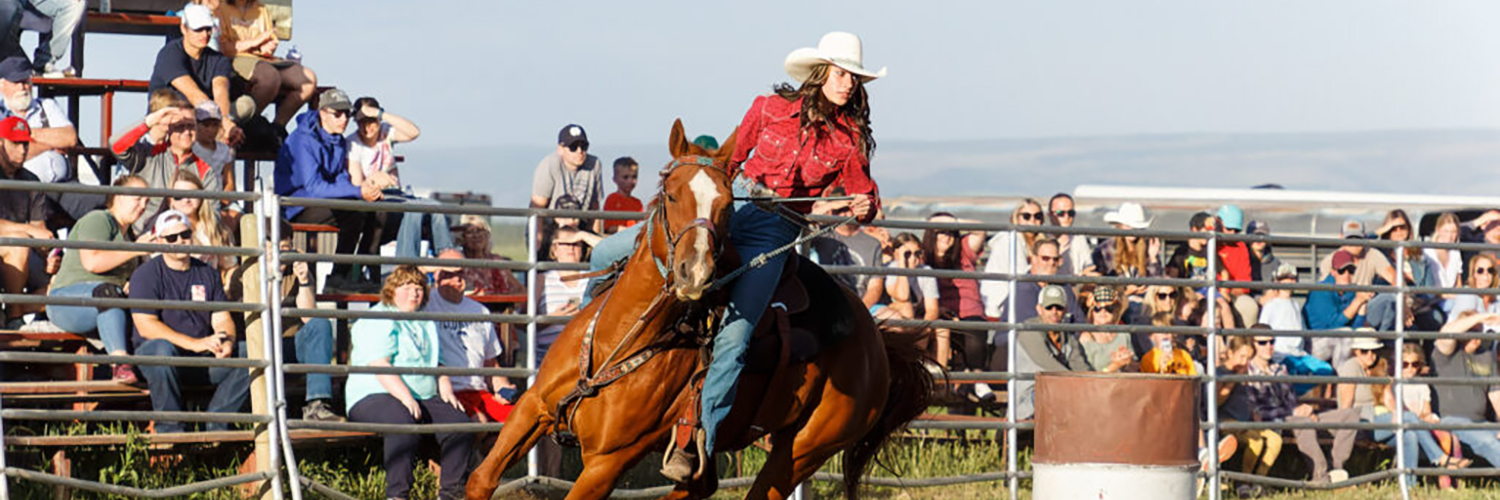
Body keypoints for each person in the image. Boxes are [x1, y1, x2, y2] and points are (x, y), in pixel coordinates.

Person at [582, 31, 885, 481]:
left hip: (778, 227)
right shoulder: (768, 108)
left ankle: (696, 440)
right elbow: (730, 162)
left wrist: (864, 204)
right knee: (606, 252)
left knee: (735, 333)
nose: (848, 84)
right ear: (821, 73)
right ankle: (585, 360)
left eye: (854, 78)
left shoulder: (848, 138)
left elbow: (866, 194)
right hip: (731, 204)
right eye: (842, 74)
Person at [345, 265, 473, 500]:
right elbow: (380, 364)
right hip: (375, 393)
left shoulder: (425, 321)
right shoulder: (379, 316)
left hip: (422, 395)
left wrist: (445, 386)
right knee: (404, 426)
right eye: (407, 287)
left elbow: (439, 362)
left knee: (460, 425)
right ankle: (397, 494)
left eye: (419, 288)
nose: (414, 292)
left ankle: (451, 494)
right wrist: (405, 398)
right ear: (392, 290)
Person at [128, 210, 249, 432]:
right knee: (160, 350)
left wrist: (226, 340)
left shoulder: (207, 273)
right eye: (172, 238)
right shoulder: (146, 274)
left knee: (251, 353)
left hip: (200, 357)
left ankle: (217, 423)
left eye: (184, 235)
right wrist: (194, 343)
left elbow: (221, 317)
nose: (180, 242)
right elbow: (145, 325)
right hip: (160, 359)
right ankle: (170, 429)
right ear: (159, 241)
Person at [273, 88, 382, 291]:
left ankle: (354, 275)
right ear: (323, 113)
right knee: (357, 211)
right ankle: (340, 276)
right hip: (294, 207)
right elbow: (314, 187)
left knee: (373, 210)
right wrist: (358, 192)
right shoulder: (302, 140)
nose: (344, 119)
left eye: (347, 114)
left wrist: (361, 191)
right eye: (337, 114)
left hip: (315, 202)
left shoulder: (337, 141)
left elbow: (339, 178)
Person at [45, 176, 149, 383]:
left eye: (147, 202)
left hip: (106, 303)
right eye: (138, 199)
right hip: (67, 300)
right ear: (119, 197)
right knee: (107, 293)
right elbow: (92, 263)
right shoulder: (99, 219)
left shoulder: (129, 235)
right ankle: (120, 363)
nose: (143, 206)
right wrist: (137, 249)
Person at [345, 97, 452, 269]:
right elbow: (358, 185)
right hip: (378, 197)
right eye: (361, 122)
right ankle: (406, 267)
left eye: (372, 121)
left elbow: (413, 132)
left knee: (437, 208)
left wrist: (380, 114)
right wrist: (375, 180)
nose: (367, 127)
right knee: (414, 210)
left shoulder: (386, 133)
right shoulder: (353, 144)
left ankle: (448, 261)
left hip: (399, 195)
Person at [1241, 331, 1355, 486]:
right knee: (1302, 422)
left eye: (1271, 342)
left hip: (1293, 417)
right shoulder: (1247, 372)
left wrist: (1304, 410)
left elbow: (1292, 401)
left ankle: (1336, 468)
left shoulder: (1280, 369)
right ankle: (1320, 477)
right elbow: (1257, 411)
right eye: (1262, 343)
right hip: (1274, 421)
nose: (1268, 346)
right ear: (1252, 345)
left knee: (1350, 415)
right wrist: (1296, 412)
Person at [0, 55, 93, 224]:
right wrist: (50, 143)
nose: (23, 87)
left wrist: (20, 135)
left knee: (100, 203)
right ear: (2, 84)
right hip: (21, 188)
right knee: (38, 215)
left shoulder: (47, 106)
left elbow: (70, 137)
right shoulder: (1, 113)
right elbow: (8, 156)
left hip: (62, 186)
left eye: (26, 80)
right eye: (16, 82)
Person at [426, 250, 515, 423]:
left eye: (461, 273)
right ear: (437, 275)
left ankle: (494, 450)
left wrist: (504, 391)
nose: (457, 279)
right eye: (449, 274)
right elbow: (402, 279)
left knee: (527, 422)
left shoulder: (480, 311)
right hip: (445, 392)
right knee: (478, 421)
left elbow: (491, 365)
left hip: (480, 392)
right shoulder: (425, 302)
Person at [1373, 342, 1470, 481]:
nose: (1410, 368)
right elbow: (1391, 408)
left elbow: (1426, 411)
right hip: (1393, 425)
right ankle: (1441, 459)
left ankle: (1415, 484)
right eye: (1405, 364)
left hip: (1415, 426)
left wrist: (1426, 417)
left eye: (1415, 364)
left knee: (1430, 435)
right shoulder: (1392, 383)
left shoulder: (1421, 384)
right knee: (1410, 419)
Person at [147, 3, 241, 147]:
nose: (204, 35)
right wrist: (223, 122)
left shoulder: (219, 59)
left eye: (208, 29)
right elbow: (193, 94)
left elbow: (220, 89)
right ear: (183, 29)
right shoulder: (169, 53)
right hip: (166, 126)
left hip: (197, 124)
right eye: (198, 29)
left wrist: (225, 122)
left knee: (238, 116)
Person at [214, 0, 315, 129]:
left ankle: (277, 127)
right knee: (270, 77)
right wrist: (256, 41)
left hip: (263, 59)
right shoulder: (221, 8)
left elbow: (270, 40)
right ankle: (247, 125)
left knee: (308, 79)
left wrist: (268, 46)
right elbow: (225, 48)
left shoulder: (261, 9)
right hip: (235, 58)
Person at [109, 90, 198, 234]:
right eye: (165, 114)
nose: (186, 131)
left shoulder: (196, 161)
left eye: (191, 125)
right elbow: (115, 145)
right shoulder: (145, 153)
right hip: (140, 232)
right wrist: (149, 122)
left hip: (181, 232)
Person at [1431, 311, 1500, 467]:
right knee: (1488, 442)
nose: (1477, 336)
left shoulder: (1486, 355)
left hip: (1482, 423)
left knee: (1489, 438)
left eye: (1479, 331)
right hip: (1451, 421)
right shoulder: (1445, 355)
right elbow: (1447, 333)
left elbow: (1496, 394)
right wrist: (1482, 316)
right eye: (1471, 331)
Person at [0, 115, 50, 328]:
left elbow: (40, 229)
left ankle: (20, 311)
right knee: (19, 243)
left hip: (23, 250)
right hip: (14, 247)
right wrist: (30, 231)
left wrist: (48, 251)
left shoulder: (31, 180)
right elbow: (33, 229)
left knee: (66, 277)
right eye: (15, 142)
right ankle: (13, 316)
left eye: (25, 143)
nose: (22, 149)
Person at [922, 212, 987, 374]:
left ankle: (975, 380)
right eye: (941, 231)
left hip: (971, 312)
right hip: (941, 312)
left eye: (951, 230)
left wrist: (952, 221)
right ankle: (962, 384)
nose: (947, 235)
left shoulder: (964, 249)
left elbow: (981, 230)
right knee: (942, 332)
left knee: (974, 336)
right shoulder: (922, 257)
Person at [1012, 284, 1090, 421]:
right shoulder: (1028, 331)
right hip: (1027, 400)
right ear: (1039, 309)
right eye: (1049, 307)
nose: (1054, 312)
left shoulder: (1067, 337)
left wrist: (1094, 384)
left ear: (1065, 310)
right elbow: (1048, 365)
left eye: (1059, 308)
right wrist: (1083, 385)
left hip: (1062, 392)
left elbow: (1081, 366)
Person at [1258, 263, 1333, 394]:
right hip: (1282, 355)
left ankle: (1295, 394)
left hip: (1300, 354)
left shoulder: (1296, 304)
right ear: (1276, 281)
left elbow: (1302, 331)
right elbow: (1262, 331)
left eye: (1292, 278)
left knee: (1326, 370)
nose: (1289, 282)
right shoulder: (1270, 306)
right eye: (1285, 278)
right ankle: (1292, 396)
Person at [808, 196, 883, 302]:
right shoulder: (822, 235)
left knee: (895, 316)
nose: (843, 214)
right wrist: (831, 205)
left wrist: (860, 314)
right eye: (838, 210)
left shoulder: (873, 243)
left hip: (862, 307)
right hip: (825, 303)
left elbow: (875, 287)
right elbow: (806, 219)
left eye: (848, 209)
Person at [1304, 249, 1370, 369]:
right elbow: (1333, 325)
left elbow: (1355, 327)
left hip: (1333, 340)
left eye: (1350, 270)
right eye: (1341, 271)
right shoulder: (1321, 290)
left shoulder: (1351, 291)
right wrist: (1357, 302)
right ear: (1332, 272)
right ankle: (1342, 378)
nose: (1346, 275)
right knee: (1345, 335)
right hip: (1313, 342)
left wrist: (1362, 306)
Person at [165, 170, 235, 281]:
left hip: (209, 290)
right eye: (179, 195)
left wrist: (226, 288)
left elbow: (230, 266)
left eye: (192, 194)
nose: (186, 200)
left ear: (201, 196)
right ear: (170, 200)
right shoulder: (162, 230)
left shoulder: (216, 228)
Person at [980, 198, 1044, 318]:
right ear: (1017, 218)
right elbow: (1022, 276)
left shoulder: (1039, 242)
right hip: (1001, 303)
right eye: (1026, 216)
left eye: (1038, 216)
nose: (1032, 220)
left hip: (1020, 298)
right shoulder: (1010, 240)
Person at [531, 124, 604, 215]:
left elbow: (595, 207)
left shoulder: (594, 164)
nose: (579, 151)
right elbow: (537, 207)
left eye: (584, 146)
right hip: (551, 226)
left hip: (580, 226)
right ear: (560, 149)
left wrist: (595, 230)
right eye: (573, 147)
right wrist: (539, 230)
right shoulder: (549, 165)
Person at [1008, 238, 1080, 323]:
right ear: (1033, 259)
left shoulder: (1064, 287)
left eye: (1055, 259)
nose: (1051, 263)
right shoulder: (1022, 290)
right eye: (1045, 258)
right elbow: (1029, 329)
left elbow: (1079, 321)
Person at [453, 215, 522, 296]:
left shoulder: (496, 261)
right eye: (470, 232)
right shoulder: (458, 262)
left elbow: (519, 289)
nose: (476, 236)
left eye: (480, 230)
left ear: (487, 235)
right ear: (461, 238)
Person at [879, 232, 939, 324]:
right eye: (907, 254)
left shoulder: (926, 271)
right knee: (906, 308)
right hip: (892, 313)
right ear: (896, 254)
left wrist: (923, 329)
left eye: (917, 253)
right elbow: (903, 296)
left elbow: (932, 309)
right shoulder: (890, 268)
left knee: (943, 329)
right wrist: (901, 263)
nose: (913, 258)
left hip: (915, 315)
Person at [1078, 285, 1134, 373]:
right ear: (1091, 312)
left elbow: (1134, 368)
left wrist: (1128, 362)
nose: (1103, 312)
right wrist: (1115, 366)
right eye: (1098, 308)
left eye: (1109, 308)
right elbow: (1088, 376)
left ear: (1115, 311)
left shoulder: (1123, 334)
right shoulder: (1086, 338)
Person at [1047, 193, 1090, 275]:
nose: (1066, 217)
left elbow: (1088, 266)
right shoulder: (1042, 238)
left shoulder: (1079, 238)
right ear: (1049, 215)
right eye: (1060, 213)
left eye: (1071, 213)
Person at [1166, 212, 1217, 280]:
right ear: (1194, 230)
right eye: (1207, 230)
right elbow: (1172, 277)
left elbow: (1223, 273)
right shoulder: (1182, 252)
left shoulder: (1211, 250)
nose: (1209, 234)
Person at [601, 156, 643, 235]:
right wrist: (632, 231)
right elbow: (610, 227)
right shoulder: (612, 199)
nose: (630, 181)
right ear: (614, 179)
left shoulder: (637, 202)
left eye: (634, 177)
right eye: (625, 177)